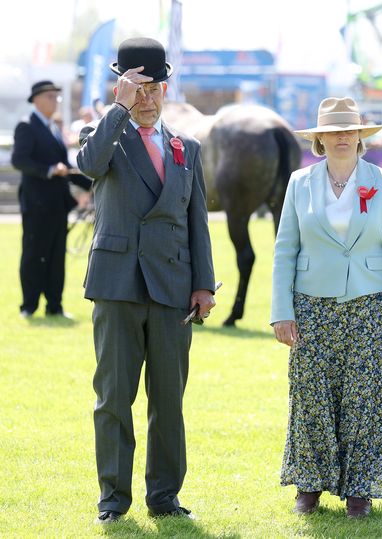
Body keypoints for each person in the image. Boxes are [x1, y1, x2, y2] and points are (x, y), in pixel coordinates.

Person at [271, 96, 382, 518]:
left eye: (349, 130)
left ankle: (360, 489)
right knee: (311, 396)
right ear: (320, 139)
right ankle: (309, 484)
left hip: (372, 305)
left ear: (360, 137)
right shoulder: (298, 182)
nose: (342, 137)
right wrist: (281, 310)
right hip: (311, 305)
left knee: (368, 399)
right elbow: (284, 249)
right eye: (333, 131)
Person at [76, 37, 216, 524]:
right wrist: (117, 108)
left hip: (173, 290)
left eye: (155, 87)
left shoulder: (187, 148)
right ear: (122, 88)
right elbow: (88, 168)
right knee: (114, 398)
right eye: (138, 88)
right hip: (116, 286)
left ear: (165, 89)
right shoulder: (104, 135)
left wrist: (205, 285)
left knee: (168, 402)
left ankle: (165, 497)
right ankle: (113, 501)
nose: (148, 97)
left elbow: (197, 220)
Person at [12, 80, 92, 319]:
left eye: (56, 97)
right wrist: (48, 169)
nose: (55, 101)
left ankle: (54, 306)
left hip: (57, 205)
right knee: (34, 253)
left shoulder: (53, 128)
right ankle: (29, 305)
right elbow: (20, 160)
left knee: (57, 257)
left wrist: (93, 184)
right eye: (50, 96)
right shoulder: (27, 126)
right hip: (36, 205)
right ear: (36, 99)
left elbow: (65, 167)